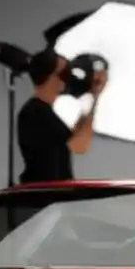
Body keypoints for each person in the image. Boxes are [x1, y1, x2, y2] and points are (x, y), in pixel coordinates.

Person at [17, 49, 107, 184]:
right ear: (52, 77)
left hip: (50, 193)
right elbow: (78, 145)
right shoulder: (36, 113)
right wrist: (95, 96)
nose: (69, 78)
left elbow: (73, 139)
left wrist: (93, 97)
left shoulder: (40, 112)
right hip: (45, 194)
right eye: (64, 73)